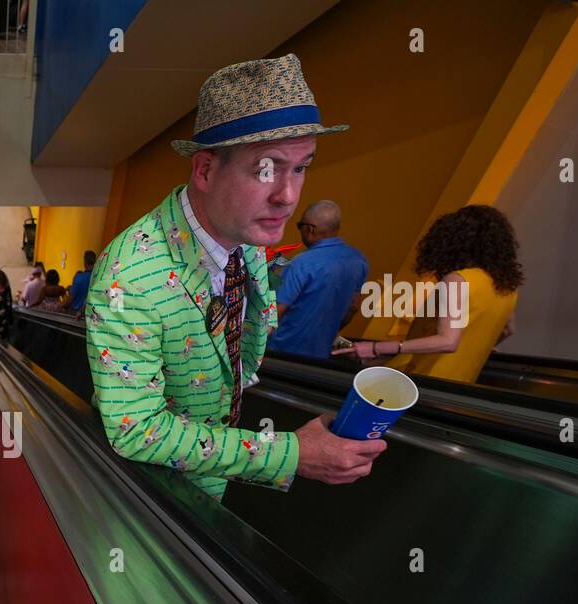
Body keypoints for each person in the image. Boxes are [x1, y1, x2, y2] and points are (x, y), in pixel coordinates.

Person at [84, 54, 386, 500]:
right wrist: (290, 453)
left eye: (301, 167)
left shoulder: (248, 238)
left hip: (209, 484)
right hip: (148, 500)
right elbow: (137, 431)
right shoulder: (129, 276)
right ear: (205, 170)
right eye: (266, 168)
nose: (287, 196)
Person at [334, 205, 523, 383]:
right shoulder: (506, 288)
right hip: (460, 385)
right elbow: (508, 329)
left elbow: (448, 341)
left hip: (421, 380)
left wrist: (377, 348)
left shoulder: (458, 279)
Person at [267, 200, 369, 358]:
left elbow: (274, 314)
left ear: (309, 229)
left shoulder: (302, 263)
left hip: (282, 352)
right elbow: (353, 307)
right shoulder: (359, 260)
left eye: (300, 226)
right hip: (321, 354)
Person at [67, 250, 96, 315]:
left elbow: (71, 298)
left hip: (75, 313)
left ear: (84, 261)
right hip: (90, 314)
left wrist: (61, 306)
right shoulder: (97, 277)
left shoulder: (79, 277)